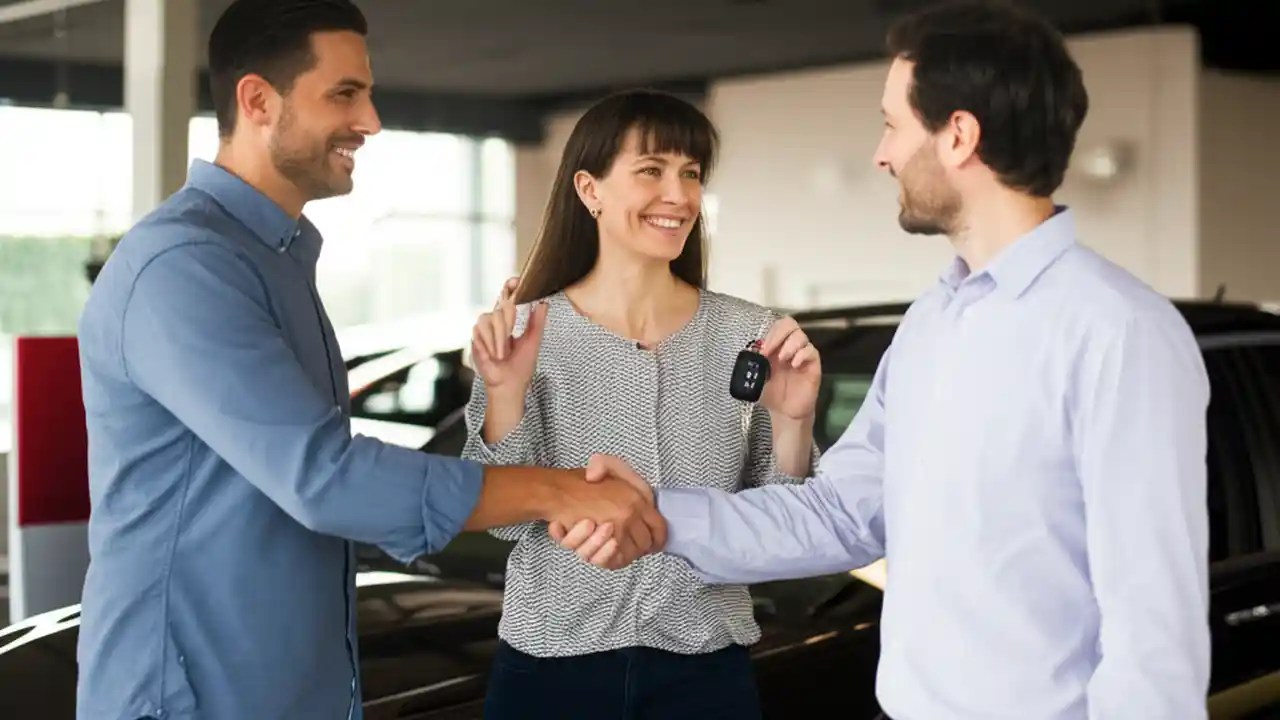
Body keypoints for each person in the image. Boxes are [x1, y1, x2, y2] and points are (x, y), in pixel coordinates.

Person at [557, 2, 1212, 719]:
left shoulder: (1120, 333)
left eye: (894, 123)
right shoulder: (933, 323)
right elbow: (841, 513)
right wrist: (652, 514)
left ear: (958, 135)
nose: (883, 153)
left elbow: (1154, 639)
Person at [73, 2, 663, 719]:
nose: (372, 121)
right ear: (258, 100)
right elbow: (324, 479)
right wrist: (559, 491)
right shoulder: (185, 268)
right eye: (345, 94)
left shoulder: (273, 259)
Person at [461, 89, 823, 719]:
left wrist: (792, 423)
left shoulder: (750, 333)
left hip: (706, 664)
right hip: (554, 660)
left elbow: (780, 531)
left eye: (691, 174)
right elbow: (506, 521)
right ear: (590, 189)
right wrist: (504, 394)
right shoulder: (525, 333)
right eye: (651, 170)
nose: (679, 196)